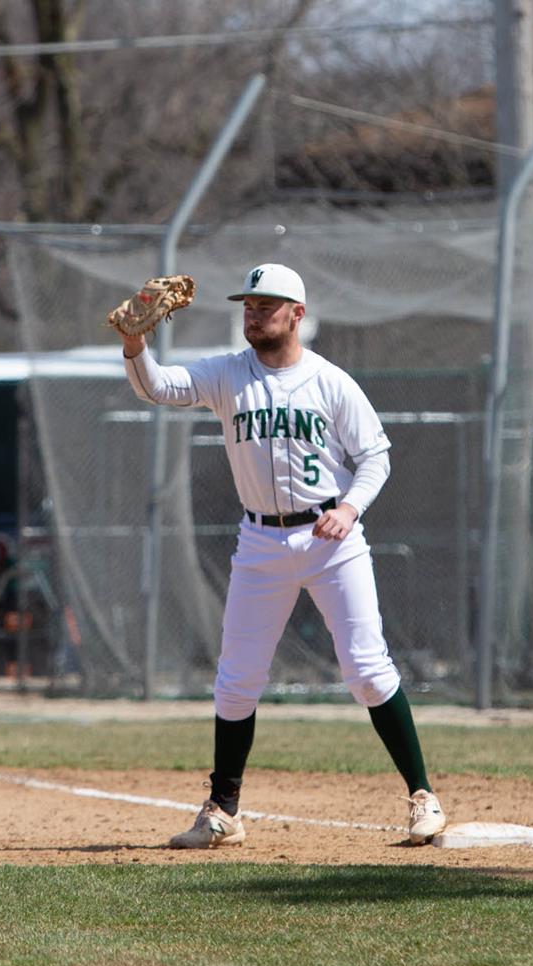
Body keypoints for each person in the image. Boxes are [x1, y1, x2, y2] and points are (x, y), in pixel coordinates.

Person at [116, 262, 447, 847]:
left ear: (296, 314)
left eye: (266, 305)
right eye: (247, 304)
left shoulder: (329, 381)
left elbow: (376, 456)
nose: (253, 313)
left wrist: (349, 510)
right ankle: (223, 811)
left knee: (368, 672)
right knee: (236, 681)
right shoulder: (226, 374)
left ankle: (423, 796)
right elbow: (159, 388)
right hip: (260, 542)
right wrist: (135, 344)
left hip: (331, 541)